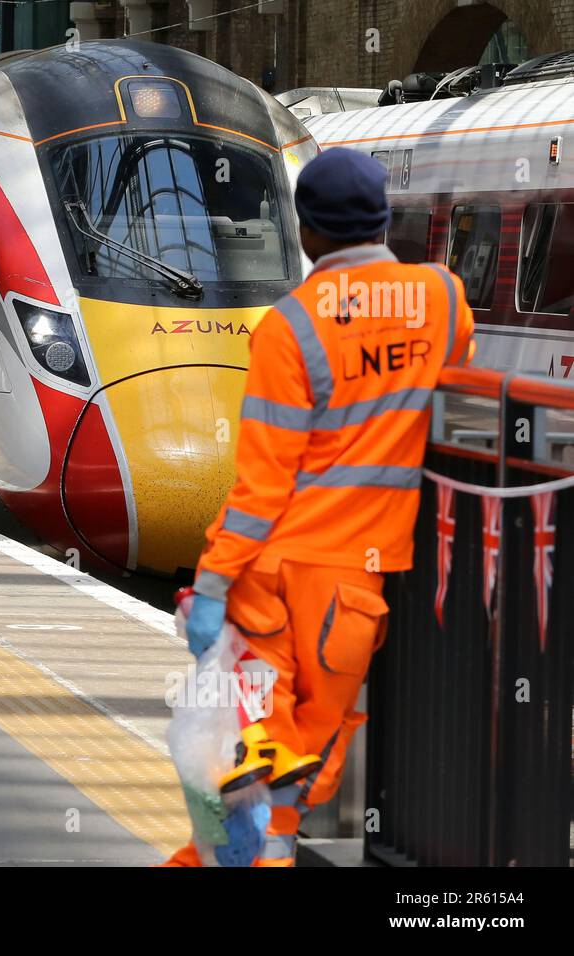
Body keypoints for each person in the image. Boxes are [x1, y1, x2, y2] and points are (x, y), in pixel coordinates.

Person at [164, 148, 476, 867]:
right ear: (382, 220)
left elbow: (261, 486)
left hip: (269, 580)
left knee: (242, 760)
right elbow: (457, 352)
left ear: (306, 232)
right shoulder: (440, 296)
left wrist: (211, 586)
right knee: (303, 762)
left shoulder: (289, 326)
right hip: (354, 589)